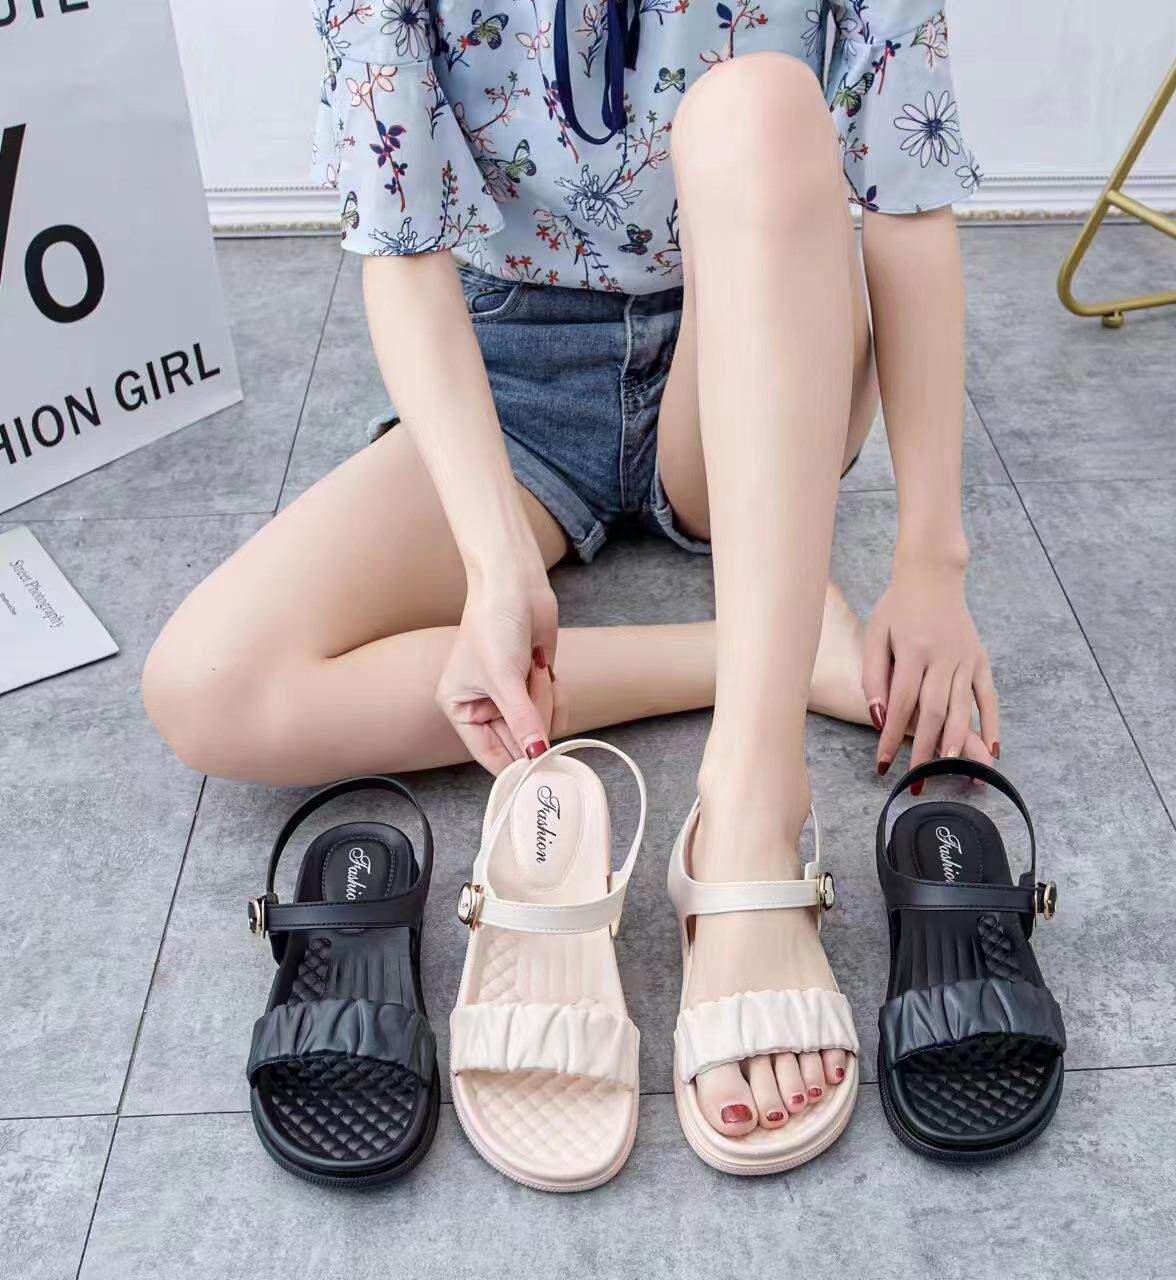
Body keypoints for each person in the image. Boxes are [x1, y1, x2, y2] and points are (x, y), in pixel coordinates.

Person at [143, 0, 997, 1145]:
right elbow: (401, 249)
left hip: (754, 328)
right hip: (508, 369)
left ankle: (750, 815)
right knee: (206, 684)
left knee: (756, 104)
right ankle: (768, 650)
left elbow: (905, 201)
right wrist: (494, 564)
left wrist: (929, 564)